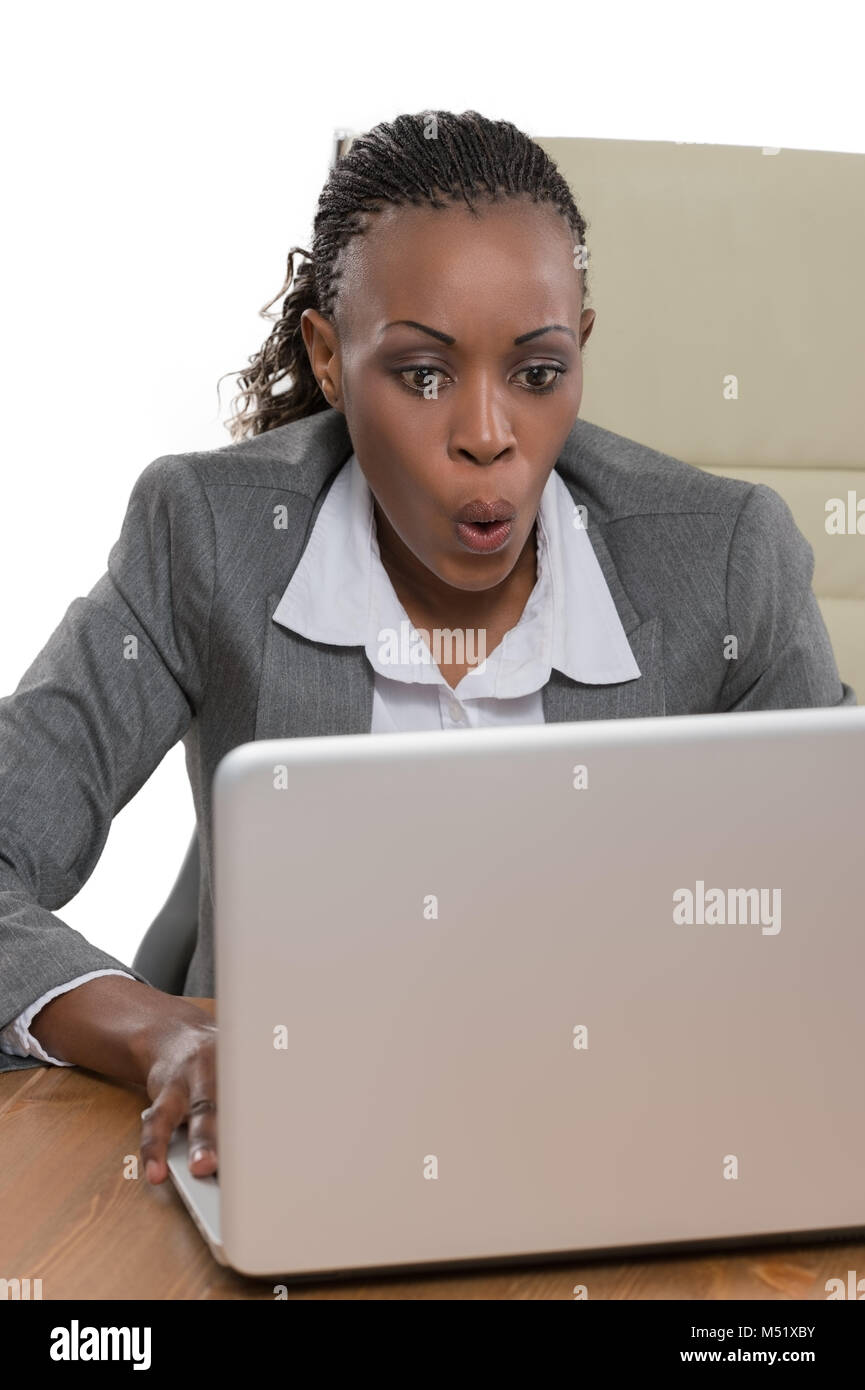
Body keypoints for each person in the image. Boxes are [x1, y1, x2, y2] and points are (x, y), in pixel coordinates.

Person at [0, 110, 854, 1192]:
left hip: (634, 1149)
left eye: (536, 372)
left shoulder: (729, 558)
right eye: (420, 374)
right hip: (292, 1152)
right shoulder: (207, 535)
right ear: (327, 355)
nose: (488, 434)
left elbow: (833, 920)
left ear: (579, 351)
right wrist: (153, 1031)